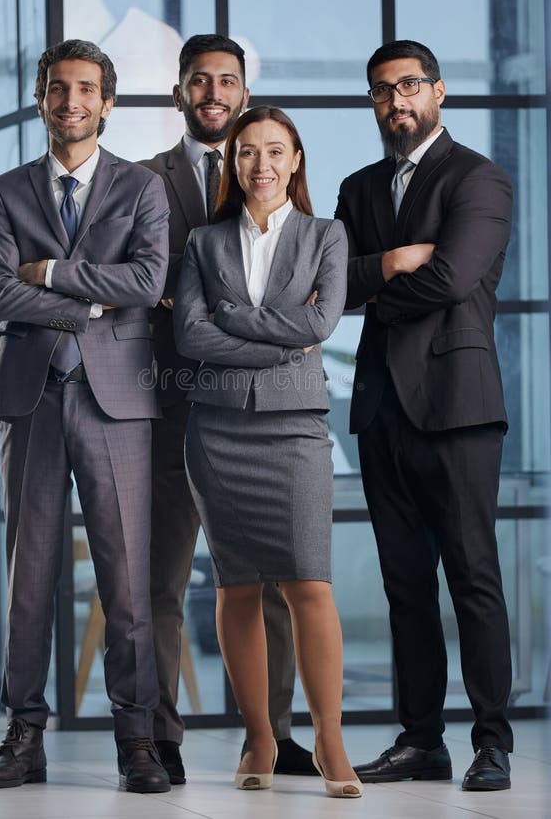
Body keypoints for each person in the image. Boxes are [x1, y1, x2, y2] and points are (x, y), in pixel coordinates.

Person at [0, 39, 171, 794]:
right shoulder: (5, 192)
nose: (71, 102)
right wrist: (99, 295)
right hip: (30, 399)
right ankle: (23, 735)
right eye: (58, 89)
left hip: (117, 398)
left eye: (86, 89)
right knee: (30, 577)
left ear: (108, 102)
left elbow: (149, 277)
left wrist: (54, 275)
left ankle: (137, 741)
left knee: (127, 577)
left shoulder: (141, 190)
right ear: (40, 99)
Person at [336, 39, 513, 792]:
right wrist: (382, 271)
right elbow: (331, 287)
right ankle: (420, 739)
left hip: (457, 408)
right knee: (404, 585)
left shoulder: (479, 178)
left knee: (472, 576)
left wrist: (378, 284)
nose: (396, 101)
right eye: (382, 91)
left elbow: (448, 278)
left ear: (439, 92)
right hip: (381, 409)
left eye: (410, 86)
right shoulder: (359, 186)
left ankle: (493, 742)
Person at [139, 34, 316, 783]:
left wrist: (204, 312)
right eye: (200, 81)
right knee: (161, 581)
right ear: (180, 91)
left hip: (254, 411)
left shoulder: (267, 181)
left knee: (269, 580)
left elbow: (306, 298)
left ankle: (270, 734)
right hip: (168, 403)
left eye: (228, 81)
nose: (214, 92)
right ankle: (158, 735)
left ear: (245, 92)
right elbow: (139, 285)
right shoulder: (144, 181)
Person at [173, 105, 361, 798]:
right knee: (238, 586)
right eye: (246, 152)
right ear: (233, 163)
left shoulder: (327, 236)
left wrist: (236, 319)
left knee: (310, 583)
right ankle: (259, 733)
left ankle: (331, 743)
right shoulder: (202, 243)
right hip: (218, 431)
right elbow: (191, 338)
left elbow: (322, 320)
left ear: (296, 160)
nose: (260, 165)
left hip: (297, 431)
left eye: (274, 151)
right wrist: (275, 333)